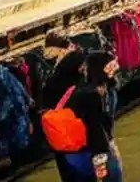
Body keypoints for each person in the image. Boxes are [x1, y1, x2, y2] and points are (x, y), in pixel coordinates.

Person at [66, 51, 122, 182]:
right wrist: (101, 158)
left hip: (94, 147)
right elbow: (94, 129)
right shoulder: (90, 95)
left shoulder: (103, 89)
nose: (115, 69)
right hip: (87, 150)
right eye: (110, 66)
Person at [38, 34, 86, 182]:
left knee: (66, 156)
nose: (46, 54)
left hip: (63, 118)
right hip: (66, 118)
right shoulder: (68, 62)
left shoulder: (69, 63)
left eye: (48, 49)